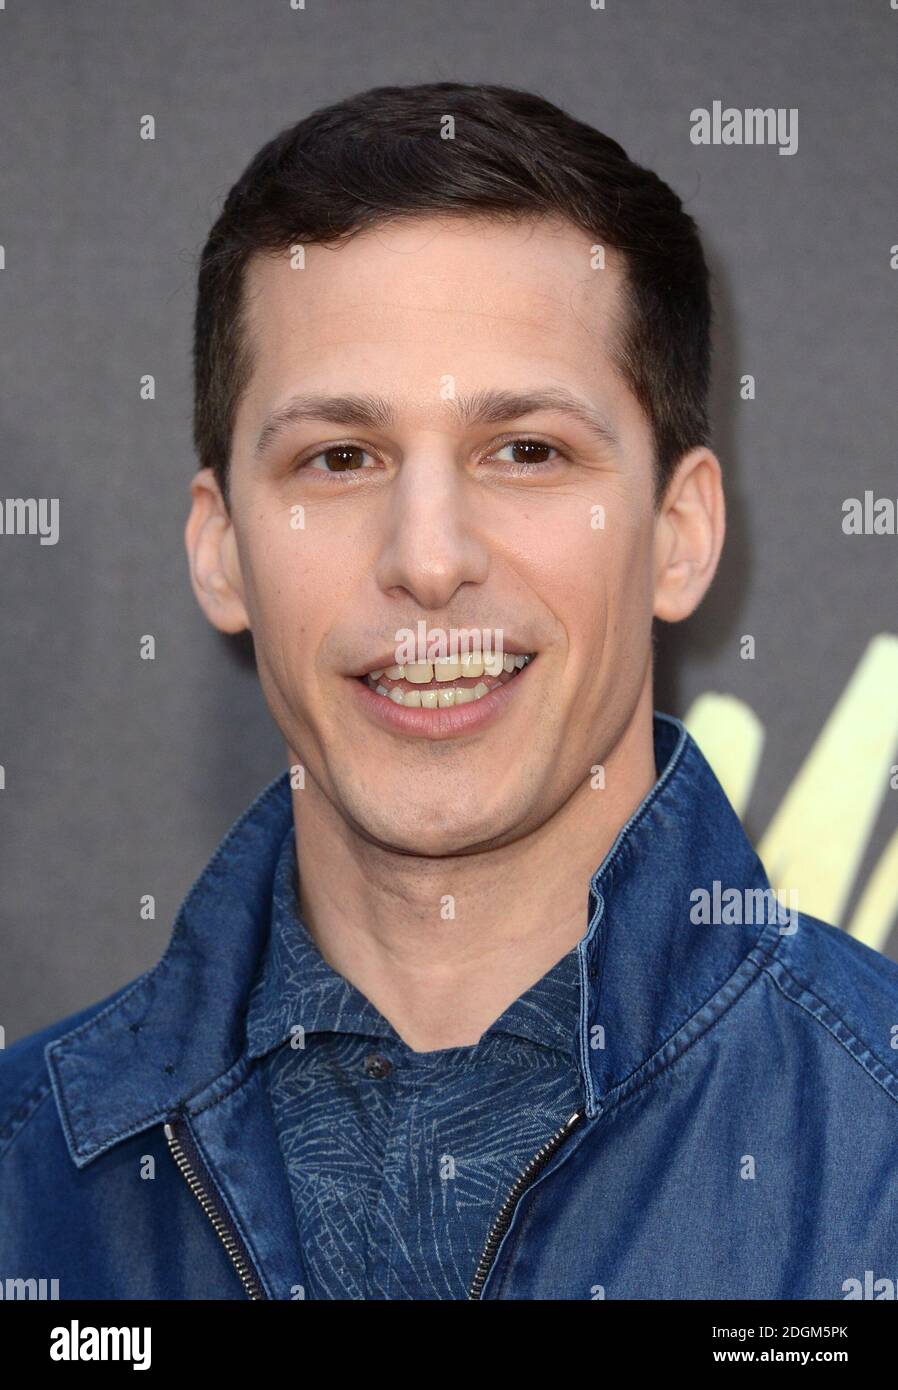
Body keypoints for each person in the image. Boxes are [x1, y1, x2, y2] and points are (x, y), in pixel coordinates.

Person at [2, 82, 897, 1302]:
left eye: (526, 451)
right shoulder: (24, 1177)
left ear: (679, 533)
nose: (427, 558)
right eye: (340, 457)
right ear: (219, 548)